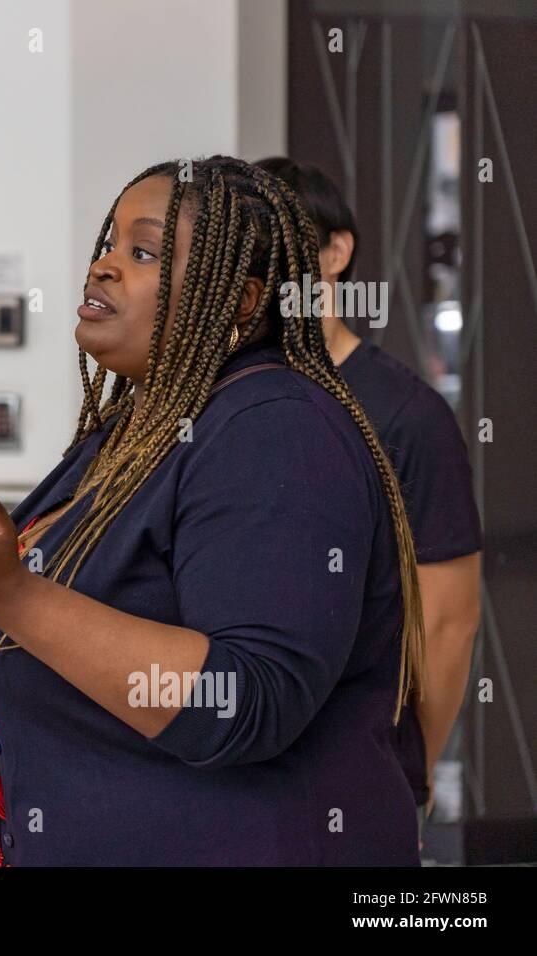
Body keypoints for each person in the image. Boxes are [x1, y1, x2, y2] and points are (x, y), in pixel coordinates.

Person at [0, 155, 426, 865]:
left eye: (143, 253)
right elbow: (4, 644)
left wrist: (10, 593)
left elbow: (242, 700)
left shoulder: (274, 428)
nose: (103, 267)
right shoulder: (136, 430)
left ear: (243, 302)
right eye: (109, 245)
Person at [256, 157, 482, 845]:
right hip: (235, 767)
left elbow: (447, 622)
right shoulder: (229, 399)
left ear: (335, 253)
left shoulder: (406, 414)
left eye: (278, 241)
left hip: (353, 774)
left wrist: (407, 770)